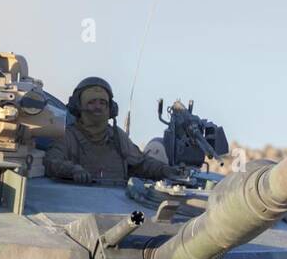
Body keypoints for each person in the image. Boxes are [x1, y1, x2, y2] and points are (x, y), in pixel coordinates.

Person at [44, 77, 187, 185]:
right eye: (91, 102)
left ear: (111, 109)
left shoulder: (117, 137)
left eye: (102, 103)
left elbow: (141, 163)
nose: (98, 107)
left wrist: (166, 170)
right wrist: (73, 170)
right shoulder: (68, 136)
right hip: (79, 203)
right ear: (79, 107)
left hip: (118, 201)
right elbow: (52, 161)